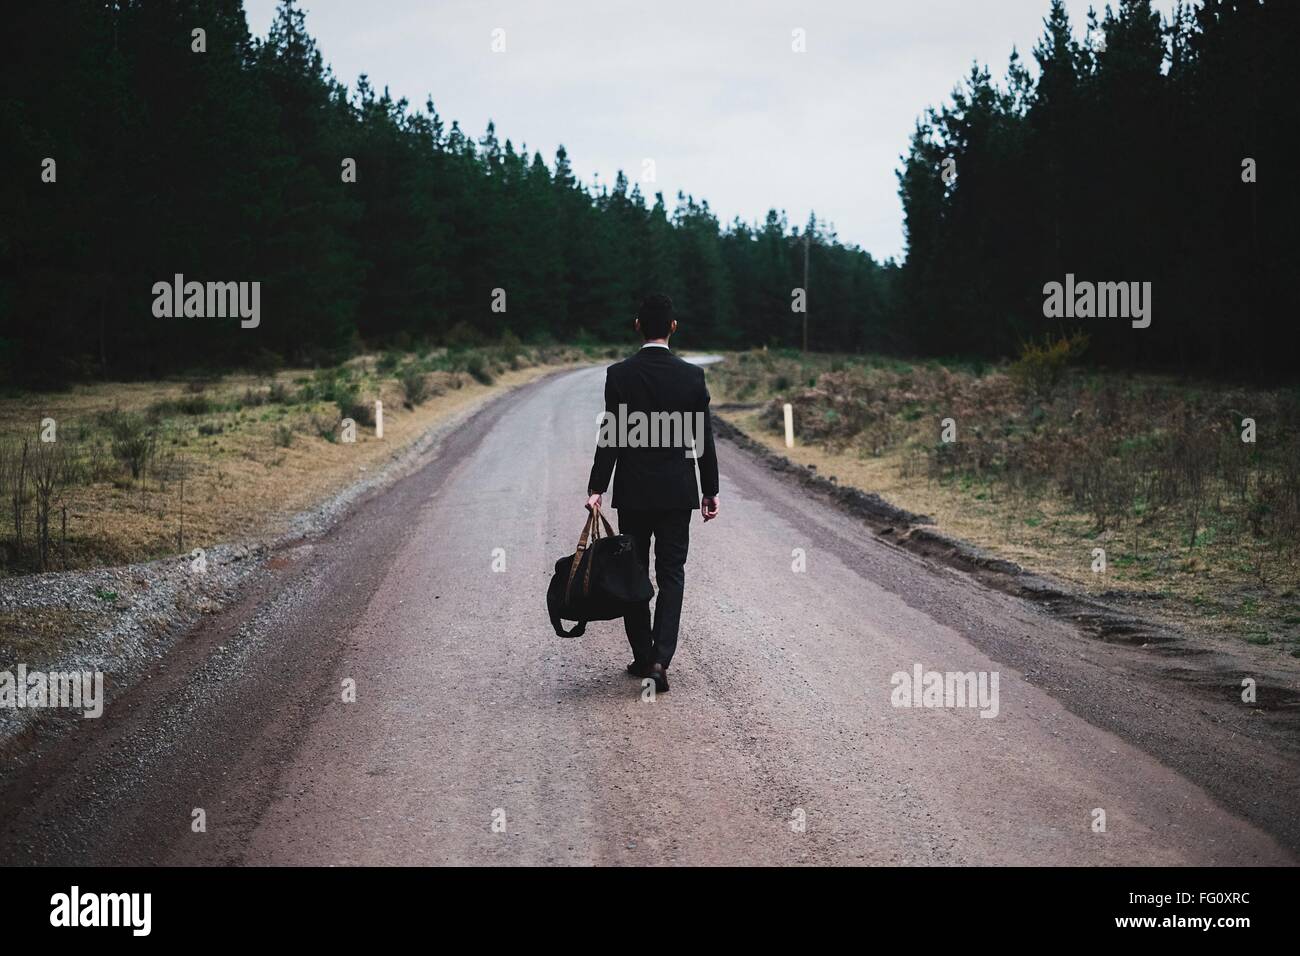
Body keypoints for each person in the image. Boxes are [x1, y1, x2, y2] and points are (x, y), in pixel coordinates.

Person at [586, 293, 720, 693]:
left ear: (638, 325)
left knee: (635, 574)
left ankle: (644, 656)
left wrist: (597, 487)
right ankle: (661, 660)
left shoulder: (620, 374)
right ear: (673, 328)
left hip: (634, 493)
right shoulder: (692, 377)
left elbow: (609, 435)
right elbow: (703, 439)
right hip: (678, 492)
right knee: (672, 573)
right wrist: (709, 490)